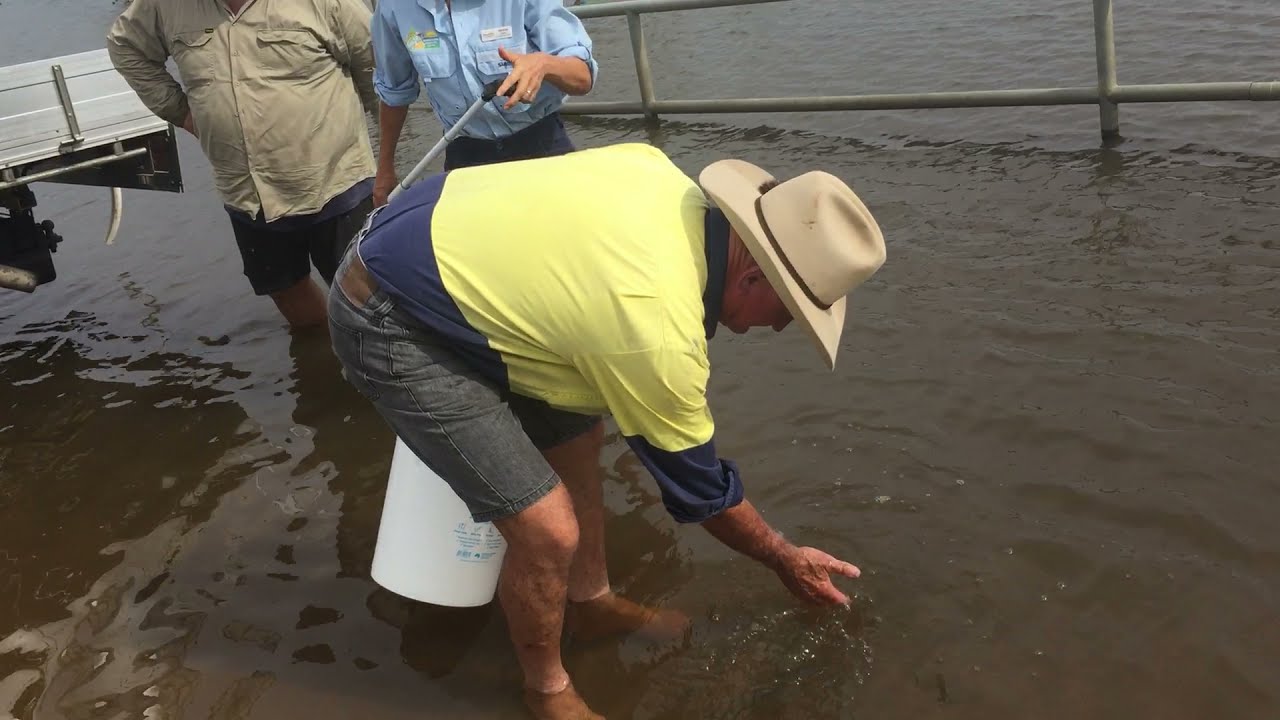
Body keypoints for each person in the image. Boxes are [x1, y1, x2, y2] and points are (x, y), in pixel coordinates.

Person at [327, 143, 886, 719]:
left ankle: (590, 603)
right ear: (750, 275)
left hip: (436, 246)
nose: (778, 327)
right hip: (390, 311)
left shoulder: (659, 175)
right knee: (546, 530)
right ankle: (546, 691)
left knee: (580, 436)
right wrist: (783, 556)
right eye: (789, 310)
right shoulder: (656, 326)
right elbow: (700, 493)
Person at [106, 0, 380, 328]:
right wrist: (181, 112)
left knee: (366, 296)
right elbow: (125, 46)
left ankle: (365, 362)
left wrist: (387, 154)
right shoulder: (164, 6)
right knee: (285, 289)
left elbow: (376, 63)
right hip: (247, 193)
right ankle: (328, 347)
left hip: (336, 183)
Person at [369, 0, 598, 204]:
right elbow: (394, 92)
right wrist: (385, 168)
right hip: (466, 158)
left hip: (541, 147)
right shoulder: (393, 7)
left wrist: (544, 64)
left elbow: (582, 77)